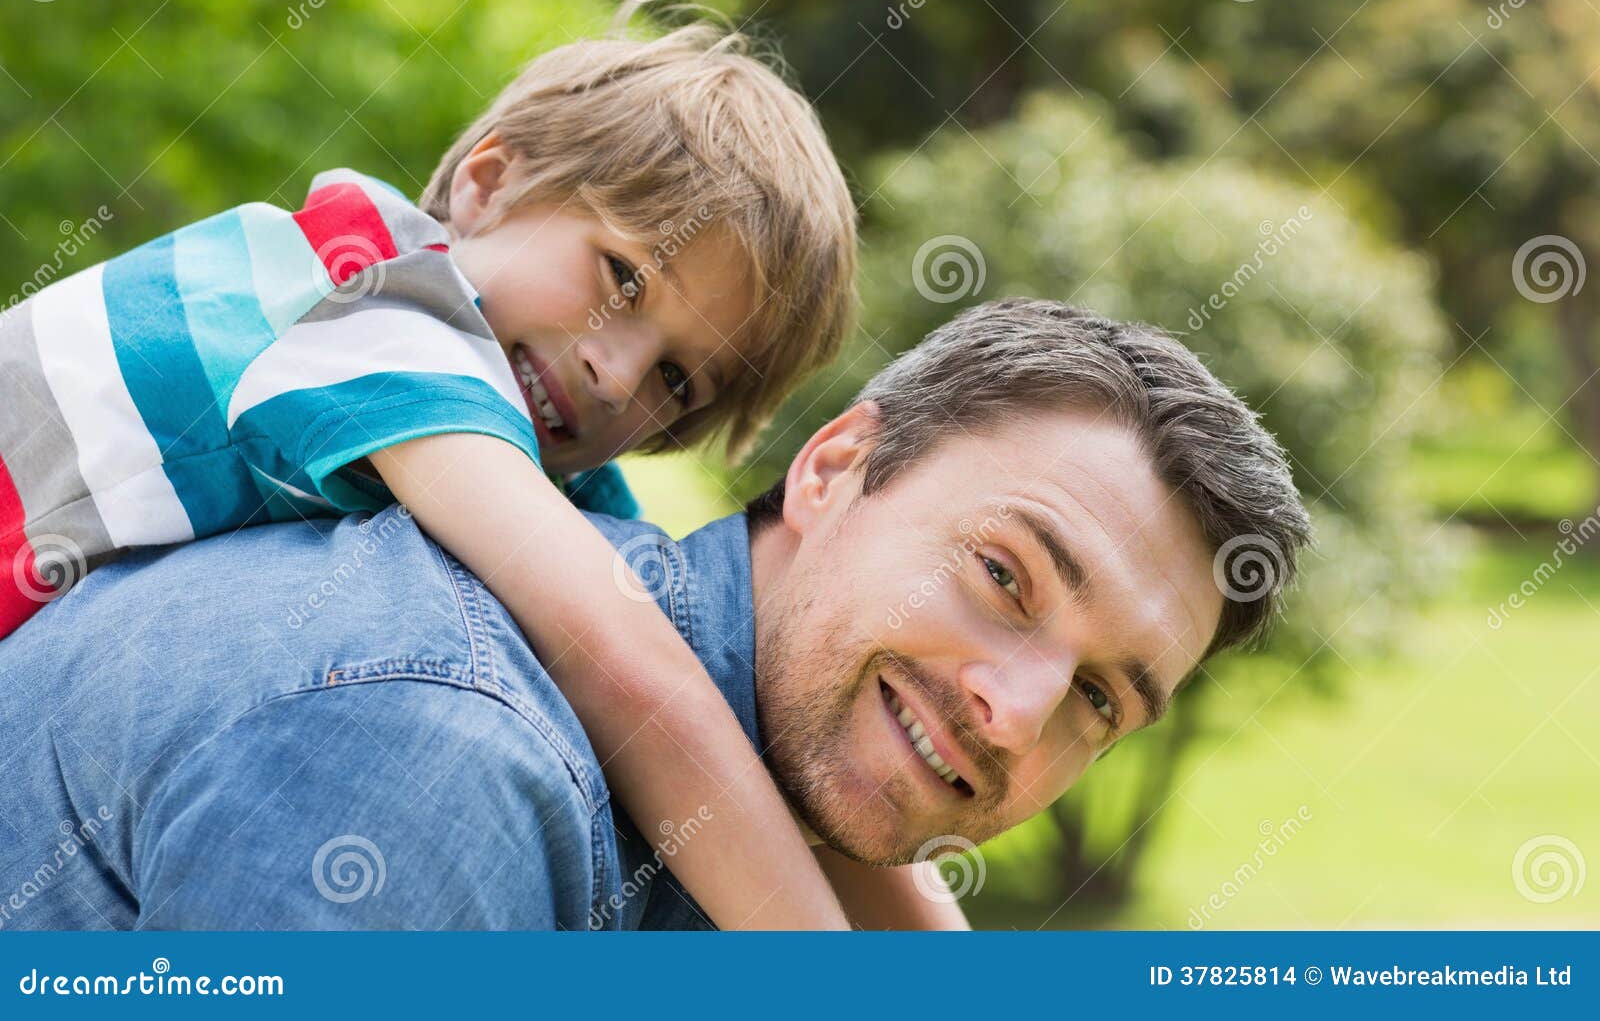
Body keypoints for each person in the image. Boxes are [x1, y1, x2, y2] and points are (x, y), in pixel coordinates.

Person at [0, 299, 1312, 929]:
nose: (1015, 715)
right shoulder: (436, 757)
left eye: (1098, 697)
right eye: (1006, 575)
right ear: (834, 467)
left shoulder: (748, 817)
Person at [0, 24, 866, 929]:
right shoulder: (374, 298)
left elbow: (698, 662)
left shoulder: (527, 447)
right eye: (622, 276)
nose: (616, 375)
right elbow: (627, 660)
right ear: (487, 185)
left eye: (676, 379)